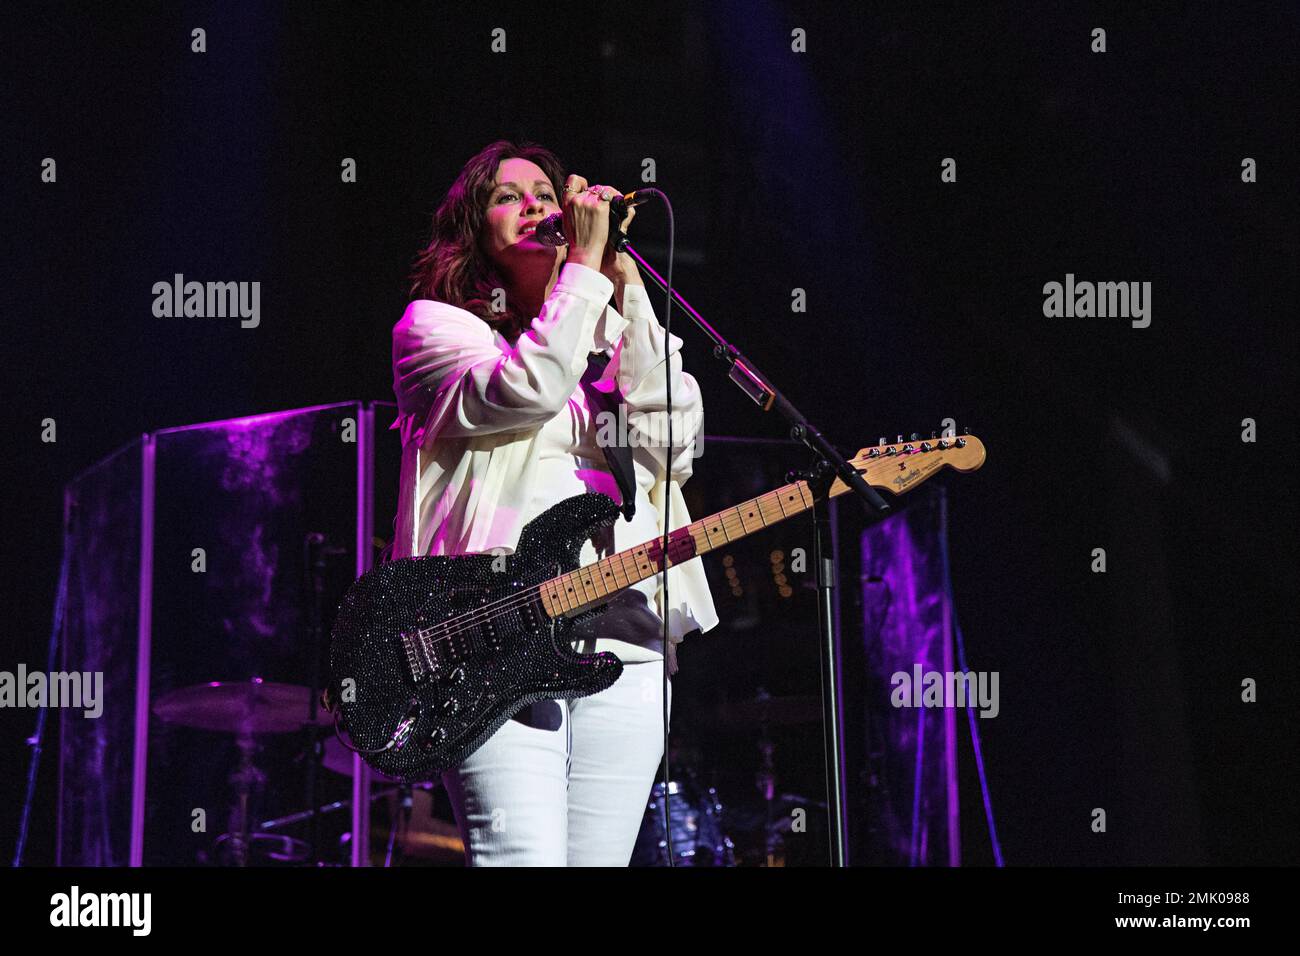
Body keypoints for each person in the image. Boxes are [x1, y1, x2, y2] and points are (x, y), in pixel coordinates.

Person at [390, 140, 718, 865]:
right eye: (510, 197)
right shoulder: (436, 331)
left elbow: (676, 449)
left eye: (546, 190)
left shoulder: (605, 331)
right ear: (472, 233)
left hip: (625, 638)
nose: (539, 205)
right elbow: (526, 390)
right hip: (493, 635)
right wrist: (581, 276)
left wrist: (624, 286)